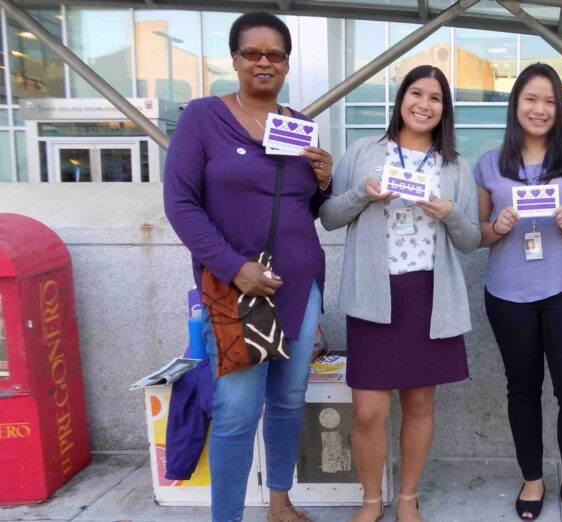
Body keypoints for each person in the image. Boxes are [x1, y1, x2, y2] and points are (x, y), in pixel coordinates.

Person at [163, 11, 334, 522]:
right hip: (236, 288)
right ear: (235, 60)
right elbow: (180, 204)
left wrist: (324, 181)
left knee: (289, 400)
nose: (264, 62)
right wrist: (233, 266)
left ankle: (280, 503)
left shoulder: (298, 125)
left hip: (300, 284)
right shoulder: (201, 116)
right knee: (237, 411)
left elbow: (307, 210)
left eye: (274, 54)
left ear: (286, 63)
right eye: (252, 53)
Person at [319, 65, 479, 522]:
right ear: (401, 98)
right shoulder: (365, 152)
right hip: (373, 293)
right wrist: (363, 196)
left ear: (444, 110)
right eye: (416, 93)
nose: (424, 104)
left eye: (435, 98)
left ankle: (407, 497)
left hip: (429, 296)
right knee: (369, 410)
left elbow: (469, 240)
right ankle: (371, 500)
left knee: (419, 404)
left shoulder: (454, 167)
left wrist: (449, 213)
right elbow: (329, 216)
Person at [474, 62, 562, 522]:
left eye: (550, 101)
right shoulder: (491, 162)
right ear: (515, 104)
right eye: (531, 99)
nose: (539, 108)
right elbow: (479, 234)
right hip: (508, 295)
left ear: (560, 108)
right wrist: (497, 225)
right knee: (523, 389)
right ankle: (533, 478)